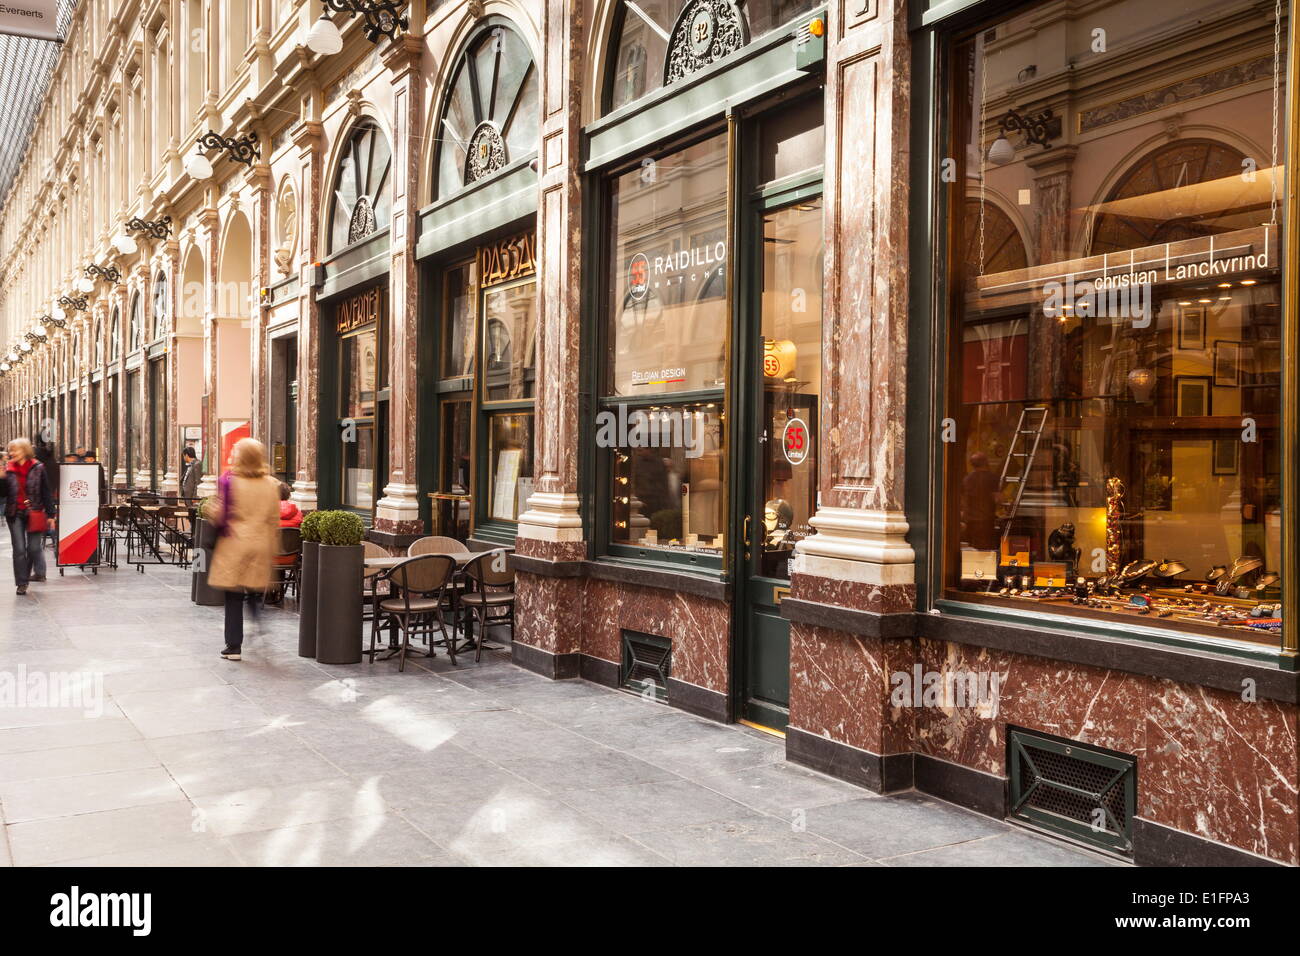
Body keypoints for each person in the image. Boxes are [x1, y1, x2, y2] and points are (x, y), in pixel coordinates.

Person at [207, 438, 279, 661]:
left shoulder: (231, 482)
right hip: (260, 544)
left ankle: (234, 646)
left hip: (235, 544)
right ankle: (259, 625)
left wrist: (211, 511)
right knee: (254, 591)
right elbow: (273, 518)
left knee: (234, 595)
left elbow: (221, 514)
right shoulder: (271, 484)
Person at [2, 438, 56, 595]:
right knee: (18, 549)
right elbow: (3, 494)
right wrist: (1, 479)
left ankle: (31, 574)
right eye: (10, 450)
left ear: (25, 450)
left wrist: (51, 514)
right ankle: (22, 582)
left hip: (35, 512)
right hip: (14, 513)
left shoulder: (38, 467)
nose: (12, 453)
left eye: (15, 450)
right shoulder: (8, 468)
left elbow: (46, 491)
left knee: (33, 547)